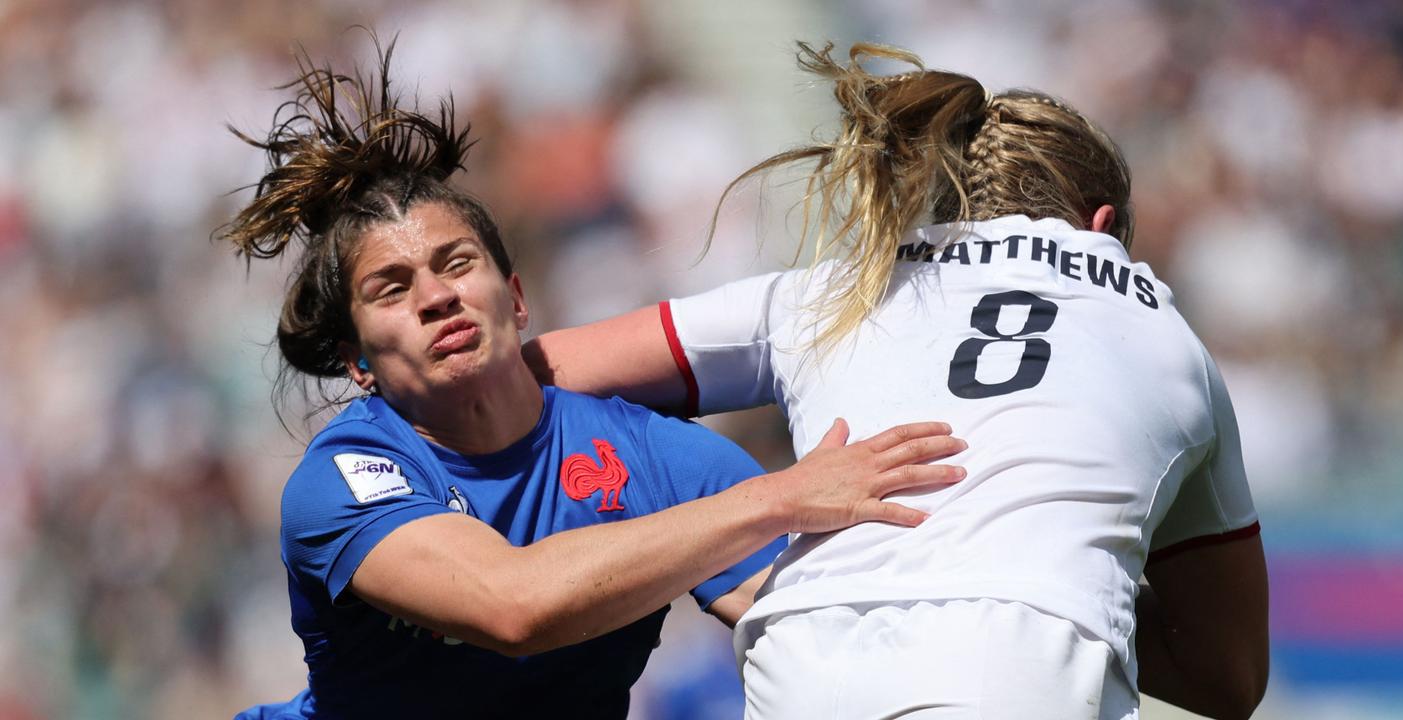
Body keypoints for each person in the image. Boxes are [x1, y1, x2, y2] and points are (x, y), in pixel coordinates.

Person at [225, 40, 966, 720]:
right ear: (357, 363)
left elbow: (815, 622)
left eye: (456, 264)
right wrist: (780, 497)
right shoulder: (350, 475)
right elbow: (512, 606)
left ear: (515, 298)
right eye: (391, 288)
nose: (436, 296)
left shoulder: (650, 455)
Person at [525, 42, 1269, 719]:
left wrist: (717, 499)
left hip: (804, 653)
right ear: (1101, 224)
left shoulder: (833, 288)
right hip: (1021, 663)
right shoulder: (1163, 330)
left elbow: (544, 374)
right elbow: (1228, 676)